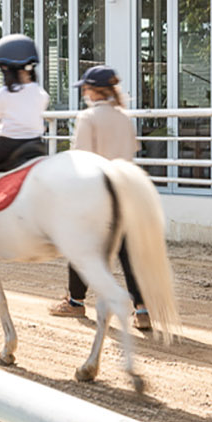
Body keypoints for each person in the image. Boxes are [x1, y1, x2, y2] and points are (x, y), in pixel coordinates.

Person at [50, 64, 149, 330]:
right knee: (128, 253)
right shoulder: (124, 117)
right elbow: (131, 151)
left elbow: (82, 158)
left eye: (86, 87)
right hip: (125, 189)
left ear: (94, 90)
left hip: (97, 191)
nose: (84, 91)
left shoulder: (88, 118)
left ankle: (75, 301)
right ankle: (142, 309)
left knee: (78, 244)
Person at [0, 33, 51, 172]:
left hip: (7, 145)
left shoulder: (4, 93)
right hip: (36, 144)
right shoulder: (41, 93)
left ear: (6, 68)